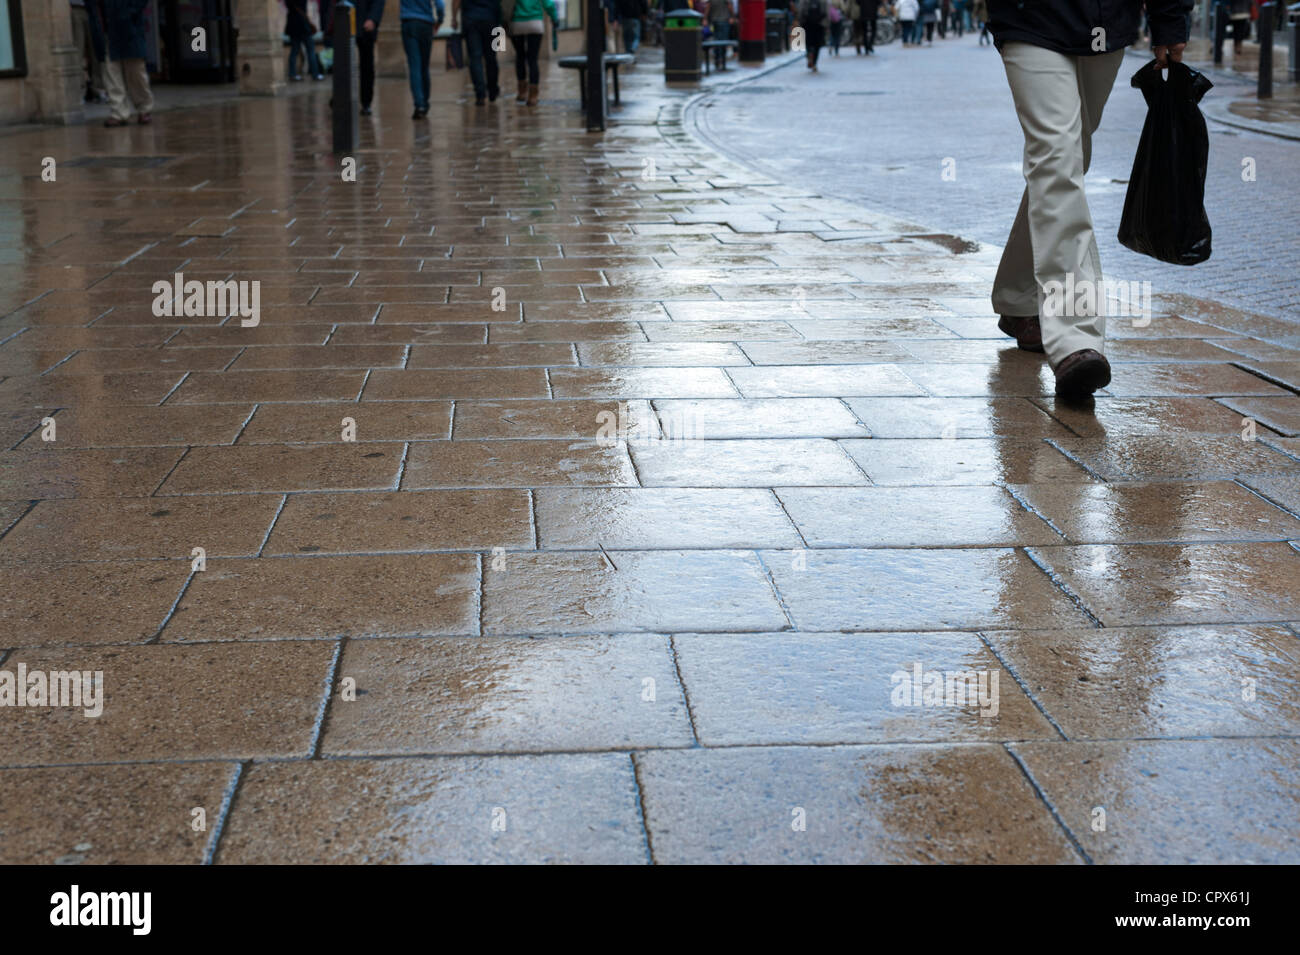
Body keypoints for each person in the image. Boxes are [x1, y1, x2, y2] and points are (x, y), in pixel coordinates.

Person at [987, 0, 1192, 397]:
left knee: (1067, 158)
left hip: (1106, 22)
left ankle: (1017, 296)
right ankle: (1074, 337)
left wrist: (1170, 17)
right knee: (1057, 158)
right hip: (1030, 17)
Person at [94, 0, 154, 126]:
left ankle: (144, 109)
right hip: (108, 27)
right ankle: (118, 112)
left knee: (136, 71)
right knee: (112, 72)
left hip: (130, 26)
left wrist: (129, 14)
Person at [509, 0, 559, 104]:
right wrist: (554, 17)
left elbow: (506, 4)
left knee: (520, 57)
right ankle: (533, 96)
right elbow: (548, 4)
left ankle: (522, 92)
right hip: (535, 23)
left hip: (517, 23)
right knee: (533, 59)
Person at [400, 0, 444, 117]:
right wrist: (440, 20)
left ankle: (419, 104)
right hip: (425, 24)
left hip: (408, 22)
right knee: (424, 66)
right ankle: (424, 102)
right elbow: (440, 5)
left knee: (414, 66)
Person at [453, 0, 501, 104]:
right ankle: (492, 90)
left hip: (471, 20)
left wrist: (454, 18)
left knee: (475, 58)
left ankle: (480, 94)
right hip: (491, 20)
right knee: (491, 57)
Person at [70, 0, 106, 103]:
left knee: (96, 50)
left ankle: (98, 89)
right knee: (78, 50)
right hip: (76, 7)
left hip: (93, 8)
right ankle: (80, 90)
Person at [355, 0, 385, 115]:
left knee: (367, 67)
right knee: (342, 64)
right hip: (345, 21)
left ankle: (366, 103)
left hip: (365, 25)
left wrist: (373, 18)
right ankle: (340, 97)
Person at [286, 0, 324, 81]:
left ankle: (292, 74)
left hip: (293, 26)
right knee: (310, 51)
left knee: (294, 51)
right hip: (303, 26)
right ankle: (315, 74)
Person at [797, 0, 827, 69]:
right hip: (819, 25)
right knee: (817, 45)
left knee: (808, 42)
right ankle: (814, 63)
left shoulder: (804, 1)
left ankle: (809, 54)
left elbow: (800, 12)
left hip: (807, 24)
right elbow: (826, 13)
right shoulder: (822, 1)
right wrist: (825, 25)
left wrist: (801, 23)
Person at [706, 0, 733, 67]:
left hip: (715, 21)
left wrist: (705, 18)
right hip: (724, 21)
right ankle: (722, 59)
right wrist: (732, 17)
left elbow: (708, 7)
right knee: (723, 40)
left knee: (716, 40)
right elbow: (730, 6)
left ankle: (717, 58)